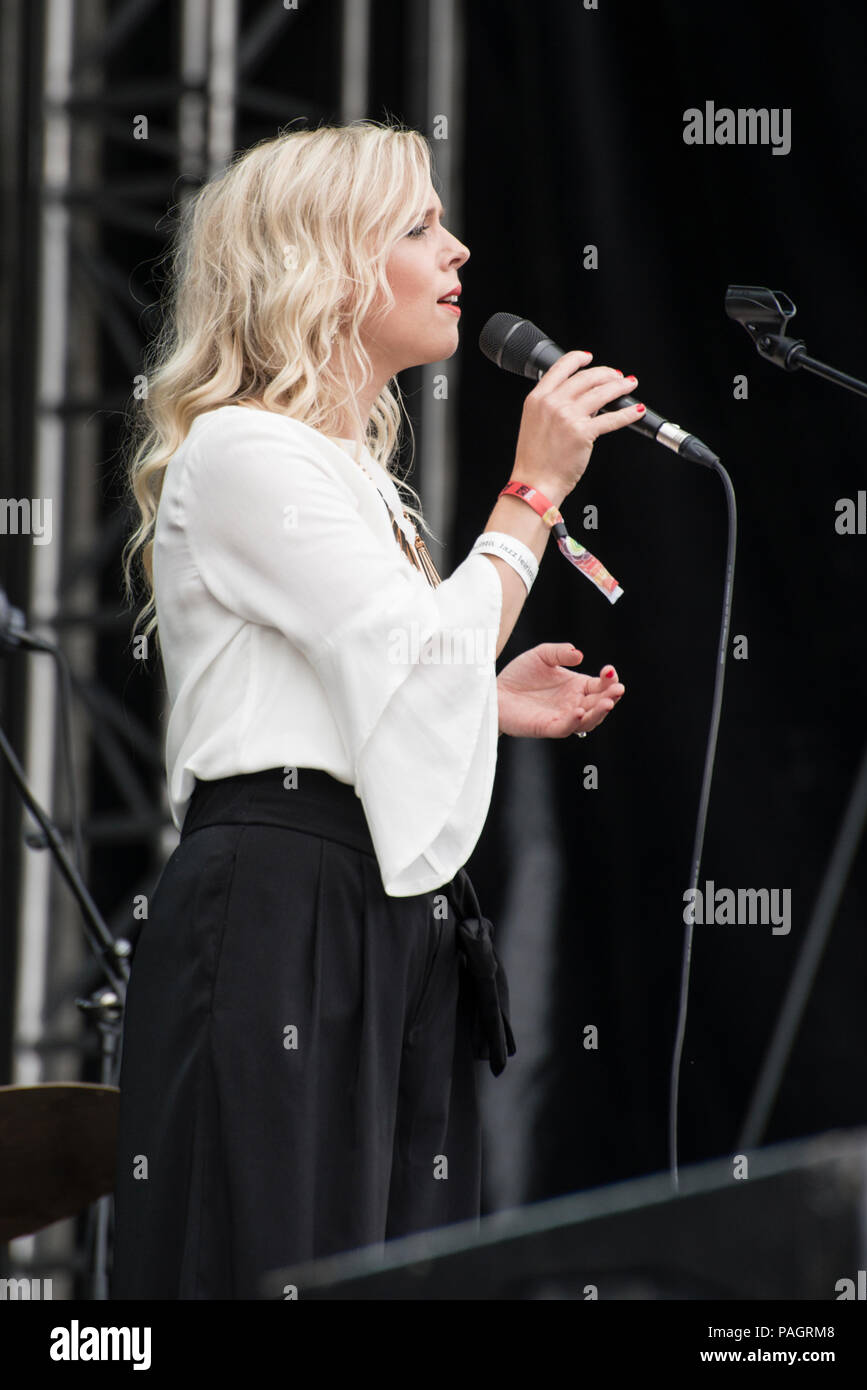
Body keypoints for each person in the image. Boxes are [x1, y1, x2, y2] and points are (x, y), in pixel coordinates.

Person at [111, 119, 635, 1300]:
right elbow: (408, 652)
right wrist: (533, 489)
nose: (457, 251)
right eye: (418, 226)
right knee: (268, 1249)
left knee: (386, 1264)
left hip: (382, 908)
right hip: (282, 892)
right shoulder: (243, 450)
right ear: (325, 265)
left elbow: (389, 668)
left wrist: (480, 700)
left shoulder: (355, 479)